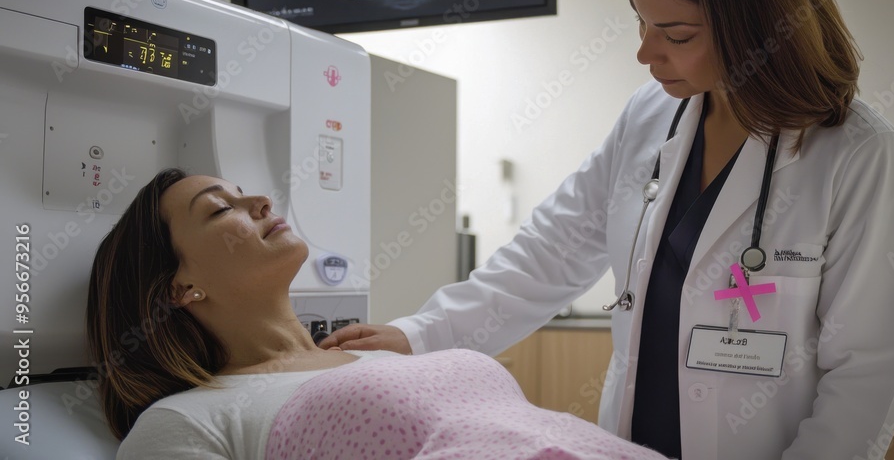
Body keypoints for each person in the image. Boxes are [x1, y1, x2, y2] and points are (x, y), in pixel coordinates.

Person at [321, 0, 894, 458]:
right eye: (641, 22)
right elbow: (549, 253)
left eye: (677, 34)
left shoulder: (857, 155)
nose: (645, 53)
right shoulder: (649, 116)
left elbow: (868, 374)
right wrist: (419, 334)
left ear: (757, 27)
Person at [86, 169, 670, 459]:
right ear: (180, 288)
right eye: (219, 210)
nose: (260, 200)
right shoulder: (187, 419)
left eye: (242, 191)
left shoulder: (374, 350)